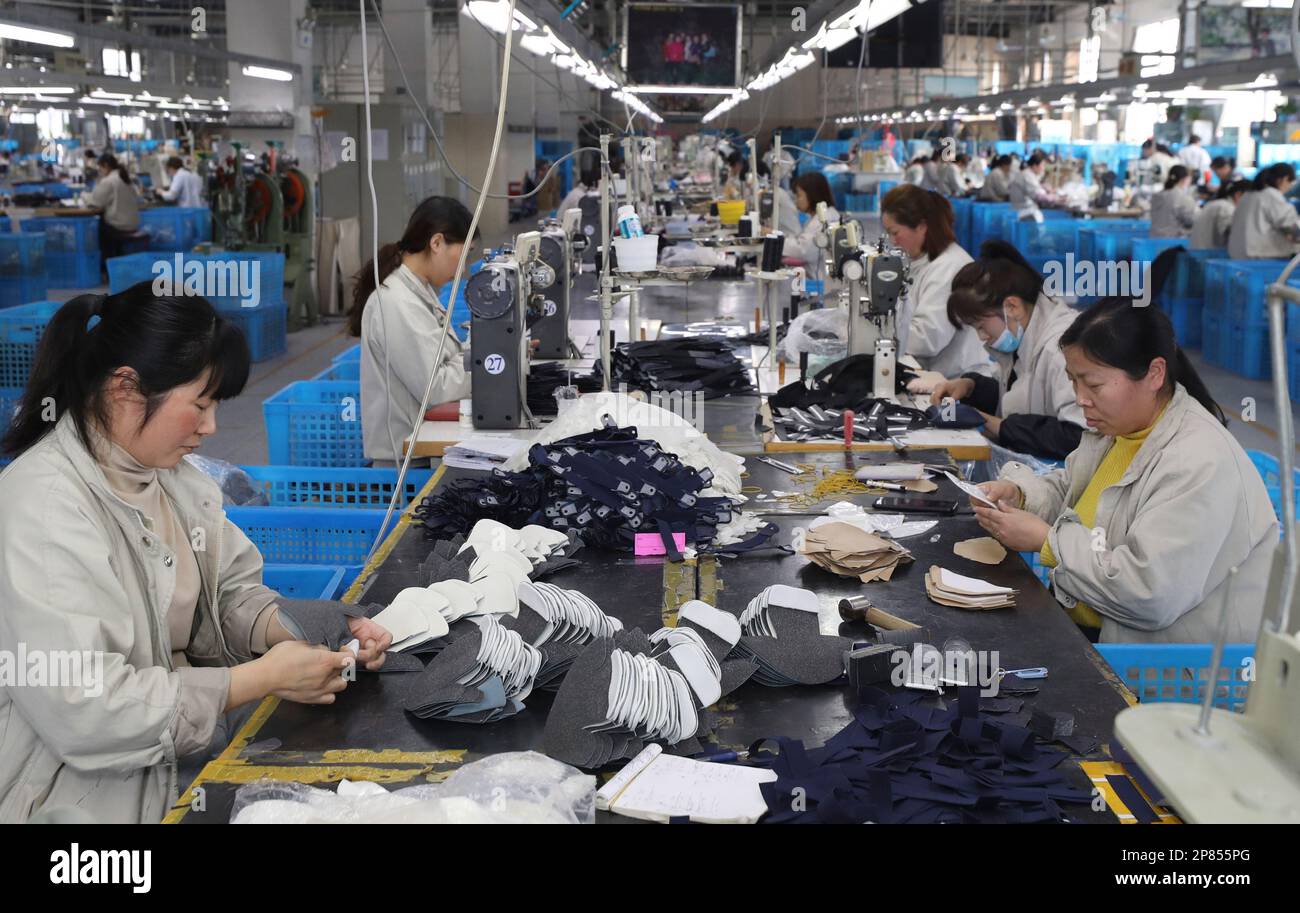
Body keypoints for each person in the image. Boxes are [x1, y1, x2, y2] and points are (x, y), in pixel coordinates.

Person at [0, 284, 393, 823]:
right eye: (201, 405)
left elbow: (227, 594)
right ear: (125, 389)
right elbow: (85, 707)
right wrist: (257, 680)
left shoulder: (170, 480)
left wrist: (314, 629)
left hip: (178, 766)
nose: (210, 428)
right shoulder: (43, 508)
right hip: (77, 804)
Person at [970, 297, 1276, 644]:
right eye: (1073, 382)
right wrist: (1022, 495)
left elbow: (1149, 593)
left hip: (1167, 670)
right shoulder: (1119, 429)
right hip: (1087, 626)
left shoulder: (1197, 461)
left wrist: (1048, 541)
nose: (1080, 398)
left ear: (1154, 374)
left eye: (1094, 385)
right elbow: (1076, 490)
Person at [929, 240, 1084, 461]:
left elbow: (1076, 436)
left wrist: (993, 424)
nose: (981, 336)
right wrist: (971, 386)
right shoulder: (1024, 336)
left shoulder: (1060, 348)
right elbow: (1019, 396)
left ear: (1012, 307)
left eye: (981, 326)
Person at [350, 196, 476, 464]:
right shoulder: (396, 303)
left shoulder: (419, 293)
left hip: (422, 447)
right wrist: (485, 366)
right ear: (437, 243)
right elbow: (436, 388)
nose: (463, 269)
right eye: (463, 255)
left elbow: (445, 361)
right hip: (404, 466)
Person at [881, 184, 992, 378]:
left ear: (922, 227)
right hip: (933, 375)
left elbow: (927, 338)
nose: (892, 241)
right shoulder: (924, 261)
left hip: (957, 384)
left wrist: (878, 333)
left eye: (895, 232)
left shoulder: (949, 267)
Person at [1228, 162, 1300, 259]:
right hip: (1261, 257)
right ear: (1284, 179)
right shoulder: (1271, 195)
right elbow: (1290, 225)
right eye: (1290, 183)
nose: (1289, 188)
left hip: (1238, 256)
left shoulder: (1248, 195)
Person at [88, 153, 142, 269]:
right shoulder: (126, 179)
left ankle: (105, 268)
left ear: (106, 166)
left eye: (100, 168)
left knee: (99, 228)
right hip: (133, 224)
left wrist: (82, 195)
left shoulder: (109, 181)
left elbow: (95, 202)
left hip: (118, 225)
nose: (100, 172)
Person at [786, 172, 840, 286]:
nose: (796, 200)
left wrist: (777, 241)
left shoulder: (823, 219)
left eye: (799, 195)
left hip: (822, 282)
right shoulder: (823, 215)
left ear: (812, 195)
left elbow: (803, 251)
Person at [1190, 179, 1249, 250]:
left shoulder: (1217, 204)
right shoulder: (1227, 208)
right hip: (1207, 255)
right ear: (1238, 195)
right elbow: (1230, 233)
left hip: (1199, 253)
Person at [1148, 164, 1197, 238]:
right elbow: (1193, 220)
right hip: (1173, 243)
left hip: (1153, 241)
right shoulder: (1183, 198)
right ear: (1185, 179)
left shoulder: (1156, 196)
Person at [1008, 154, 1057, 222]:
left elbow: (1034, 187)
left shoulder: (1028, 174)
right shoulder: (1027, 175)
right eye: (1042, 165)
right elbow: (1037, 196)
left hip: (1025, 209)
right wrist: (1056, 198)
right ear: (1035, 166)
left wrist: (1044, 188)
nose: (1043, 168)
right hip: (1024, 211)